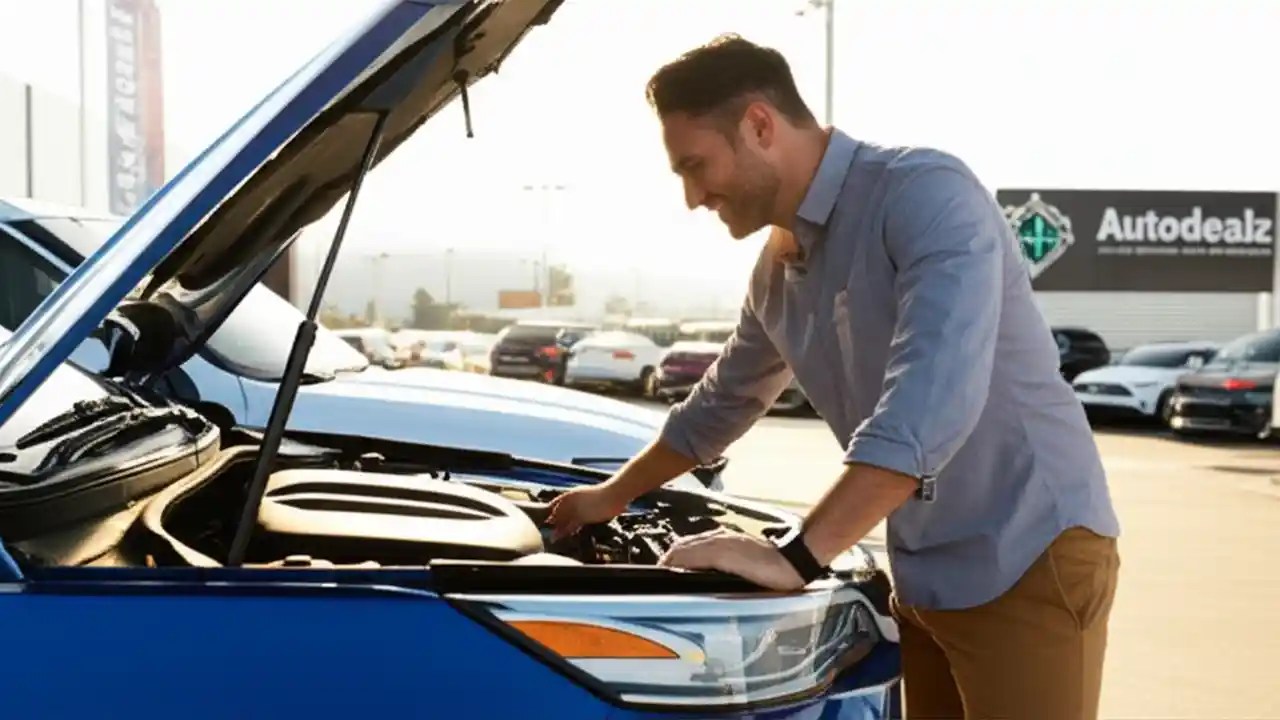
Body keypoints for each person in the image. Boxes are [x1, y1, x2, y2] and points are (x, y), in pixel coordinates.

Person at [545, 34, 1121, 720]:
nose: (694, 197)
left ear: (759, 125)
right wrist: (609, 498)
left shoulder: (925, 194)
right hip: (922, 569)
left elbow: (928, 401)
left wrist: (797, 554)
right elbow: (721, 405)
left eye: (695, 166)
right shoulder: (776, 268)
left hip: (1028, 554)